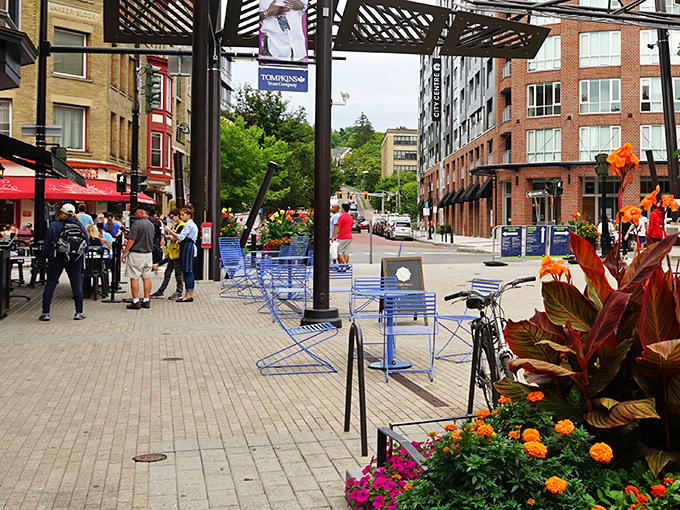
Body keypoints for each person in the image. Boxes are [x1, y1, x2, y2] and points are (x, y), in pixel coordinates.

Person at [40, 203, 88, 321]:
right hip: (75, 259)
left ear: (61, 212)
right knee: (76, 284)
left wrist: (47, 256)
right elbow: (86, 243)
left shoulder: (54, 225)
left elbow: (47, 243)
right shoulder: (80, 225)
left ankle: (46, 313)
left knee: (51, 284)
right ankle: (79, 312)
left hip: (57, 258)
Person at [121, 205, 156, 309]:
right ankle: (146, 300)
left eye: (136, 212)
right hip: (148, 254)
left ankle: (135, 301)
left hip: (136, 254)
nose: (135, 214)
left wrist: (125, 252)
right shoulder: (151, 224)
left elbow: (131, 240)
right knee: (146, 278)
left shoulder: (137, 224)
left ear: (141, 212)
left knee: (134, 278)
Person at [164, 204, 198, 302]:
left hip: (187, 246)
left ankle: (188, 294)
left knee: (186, 271)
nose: (181, 217)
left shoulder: (188, 225)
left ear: (188, 215)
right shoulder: (192, 224)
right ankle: (189, 293)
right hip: (189, 245)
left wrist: (169, 230)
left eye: (183, 215)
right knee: (189, 272)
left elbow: (180, 237)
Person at [150, 208, 184, 300]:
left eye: (173, 217)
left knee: (177, 273)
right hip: (172, 252)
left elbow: (179, 237)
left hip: (177, 252)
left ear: (177, 215)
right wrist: (169, 236)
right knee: (168, 272)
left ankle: (179, 290)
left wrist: (170, 233)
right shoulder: (175, 226)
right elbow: (173, 236)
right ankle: (161, 291)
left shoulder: (182, 226)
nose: (172, 219)